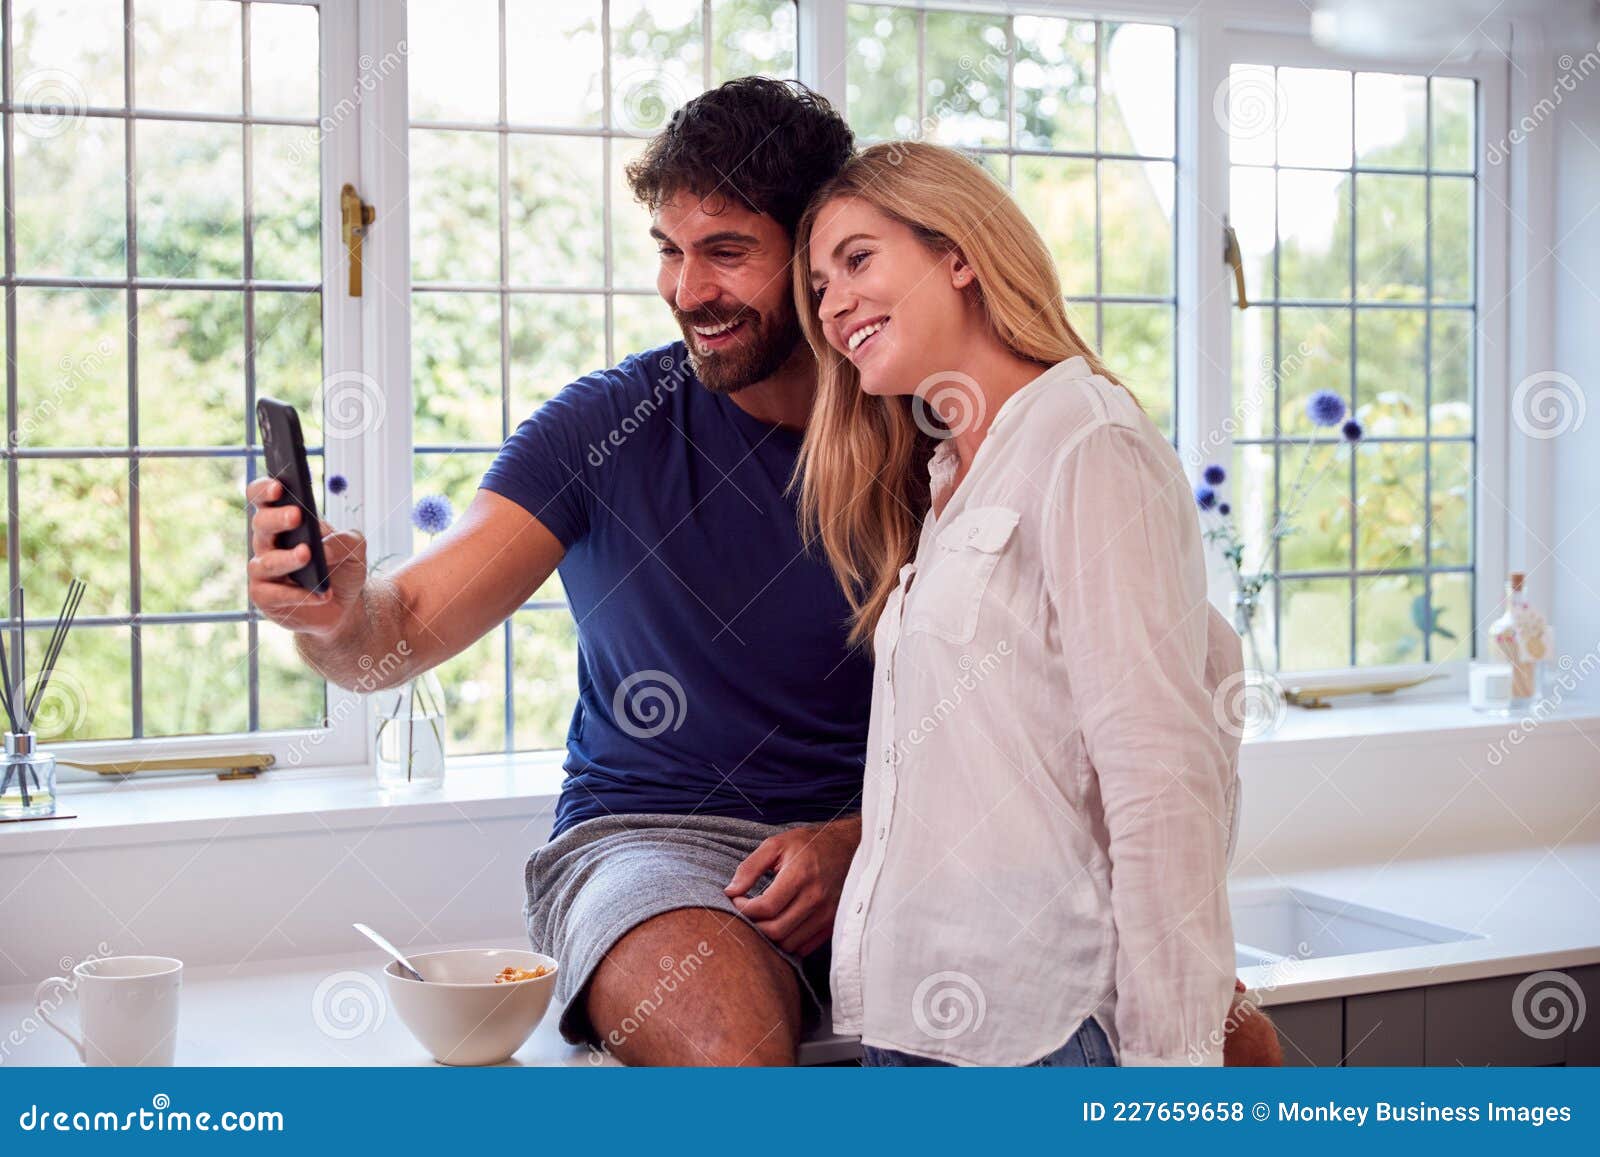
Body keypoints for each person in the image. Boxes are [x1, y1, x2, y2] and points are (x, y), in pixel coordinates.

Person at [245, 78, 869, 1065]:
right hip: (656, 846)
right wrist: (330, 616)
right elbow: (394, 630)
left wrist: (861, 840)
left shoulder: (919, 431)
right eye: (668, 250)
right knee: (731, 1055)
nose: (686, 291)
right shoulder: (604, 429)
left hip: (898, 839)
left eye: (726, 251)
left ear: (820, 253)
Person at [794, 140, 1259, 1066]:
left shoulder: (1087, 444)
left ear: (958, 256)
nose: (833, 304)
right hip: (916, 1022)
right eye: (818, 285)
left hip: (1040, 1029)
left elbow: (1159, 779)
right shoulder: (950, 478)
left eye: (858, 259)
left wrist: (1174, 1074)